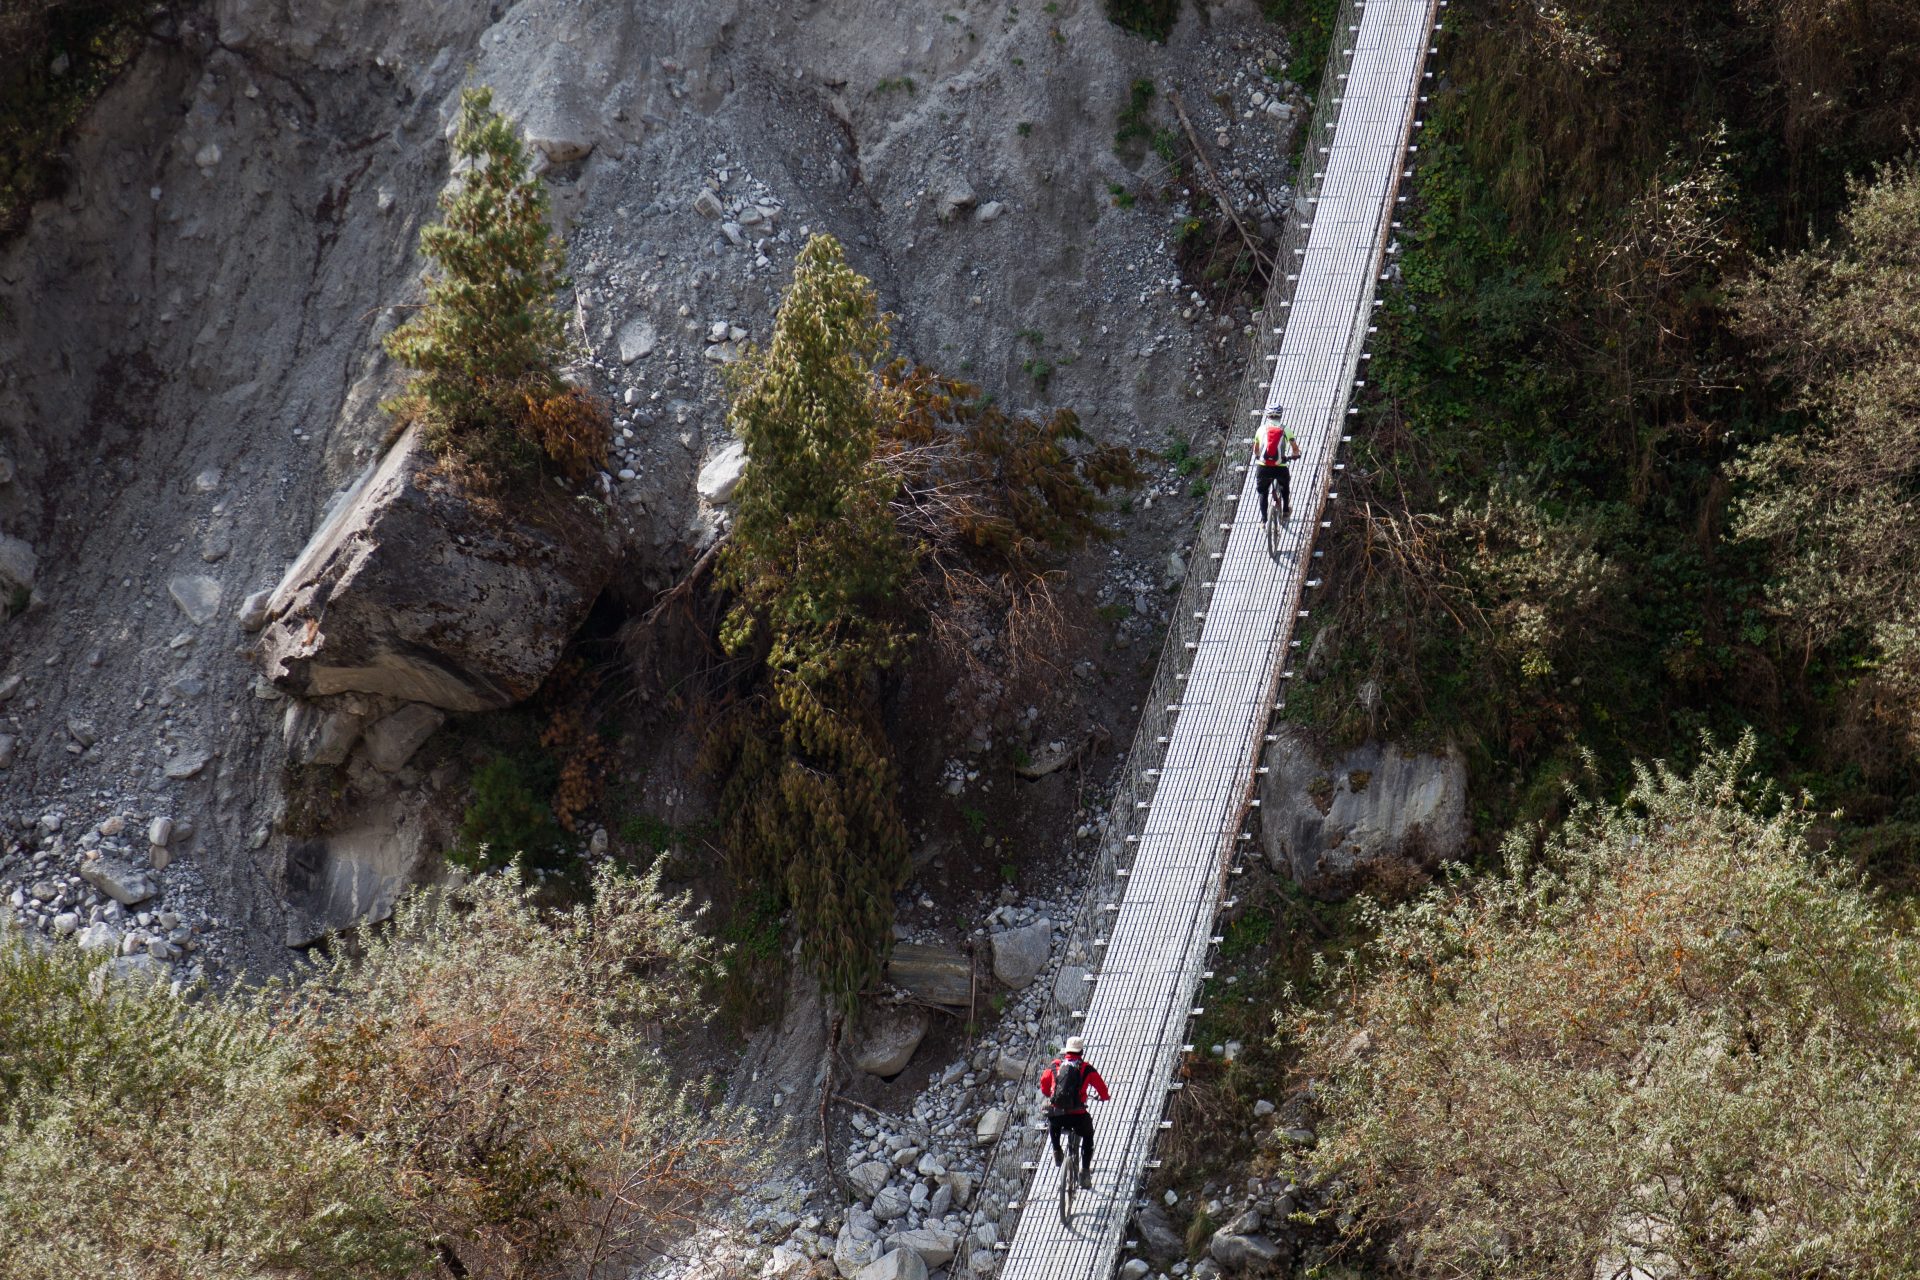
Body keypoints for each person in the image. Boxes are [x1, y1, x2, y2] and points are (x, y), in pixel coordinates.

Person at [1040, 1034, 1109, 1189]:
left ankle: (1057, 1150)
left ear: (1066, 1052)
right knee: (1088, 1135)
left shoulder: (1055, 1066)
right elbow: (1102, 1090)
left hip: (1058, 1115)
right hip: (1077, 1117)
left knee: (1053, 1122)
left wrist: (1050, 1094)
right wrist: (1104, 1097)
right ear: (1081, 1052)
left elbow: (1044, 1085)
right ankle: (1085, 1171)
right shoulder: (1087, 1069)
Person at [1252, 413, 1302, 523]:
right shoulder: (1286, 429)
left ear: (1267, 417)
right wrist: (1295, 455)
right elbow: (1295, 448)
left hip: (1263, 467)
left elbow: (1256, 450)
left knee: (1262, 493)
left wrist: (1258, 456)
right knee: (1285, 486)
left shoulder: (1260, 429)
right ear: (1280, 416)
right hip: (1280, 466)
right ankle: (1285, 511)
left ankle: (1264, 520)